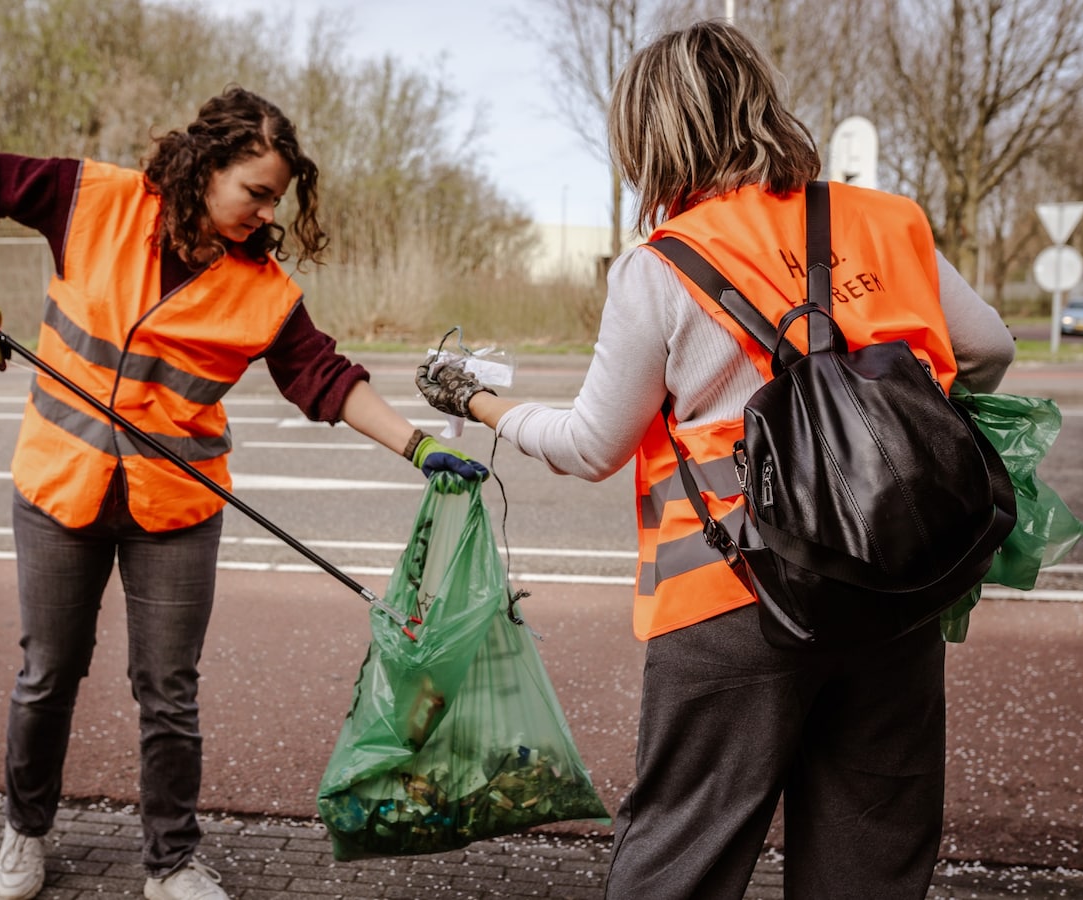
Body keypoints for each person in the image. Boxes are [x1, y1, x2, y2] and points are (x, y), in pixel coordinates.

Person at [416, 21, 1015, 900]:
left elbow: (591, 447)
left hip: (730, 592)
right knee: (874, 847)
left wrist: (479, 403)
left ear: (649, 137)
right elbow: (988, 349)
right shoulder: (887, 221)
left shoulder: (659, 266)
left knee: (684, 849)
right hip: (896, 587)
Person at [0, 85, 486, 900]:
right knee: (48, 674)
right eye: (254, 192)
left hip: (174, 509)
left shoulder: (263, 289)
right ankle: (25, 831)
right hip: (59, 486)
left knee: (169, 694)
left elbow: (321, 376)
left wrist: (418, 445)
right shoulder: (95, 201)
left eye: (275, 201)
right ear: (205, 165)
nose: (265, 213)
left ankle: (170, 863)